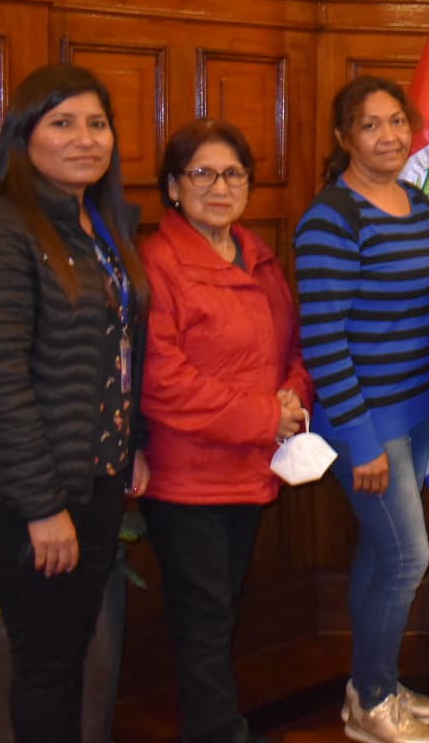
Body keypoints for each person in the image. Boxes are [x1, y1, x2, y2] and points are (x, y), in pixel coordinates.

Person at [0, 63, 151, 743]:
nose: (84, 139)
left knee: (63, 659)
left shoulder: (99, 227)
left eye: (96, 123)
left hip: (93, 480)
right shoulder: (0, 231)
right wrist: (42, 508)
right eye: (61, 123)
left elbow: (119, 353)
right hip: (22, 498)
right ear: (23, 136)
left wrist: (135, 445)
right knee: (47, 666)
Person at [293, 76, 429, 743]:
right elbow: (324, 338)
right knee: (404, 559)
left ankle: (373, 681)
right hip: (364, 422)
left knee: (381, 555)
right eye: (370, 125)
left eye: (396, 121)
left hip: (416, 411)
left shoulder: (417, 202)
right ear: (343, 138)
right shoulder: (332, 218)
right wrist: (360, 441)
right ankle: (369, 702)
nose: (388, 135)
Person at [138, 118, 312, 743]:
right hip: (190, 479)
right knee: (205, 619)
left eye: (233, 173)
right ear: (173, 187)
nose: (220, 185)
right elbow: (163, 381)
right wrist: (269, 416)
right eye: (202, 173)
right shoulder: (158, 262)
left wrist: (293, 394)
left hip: (251, 470)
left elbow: (291, 344)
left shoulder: (255, 253)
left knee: (222, 611)